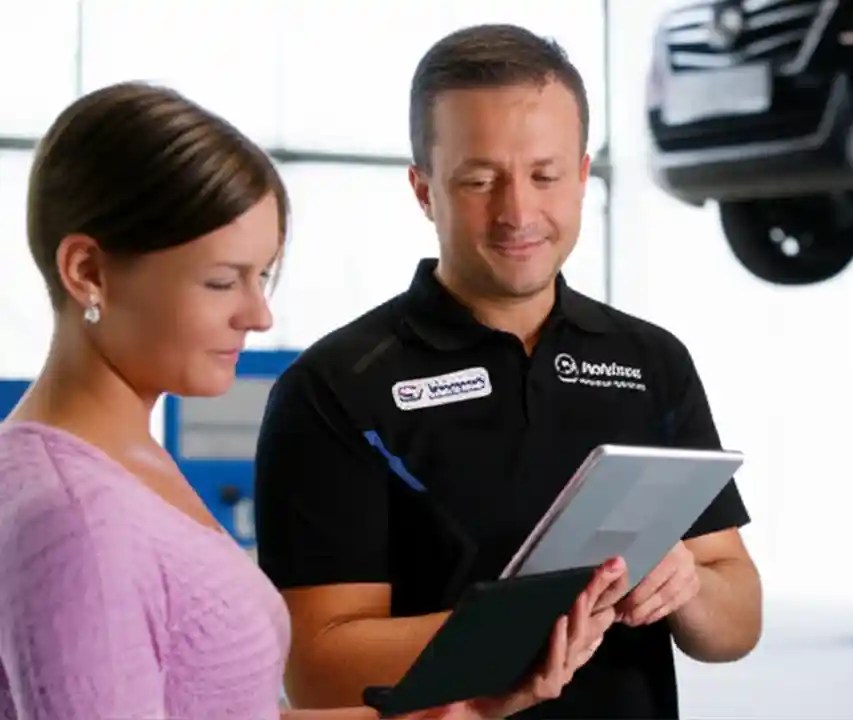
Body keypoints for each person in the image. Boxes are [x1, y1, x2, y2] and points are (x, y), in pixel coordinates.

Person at [0, 81, 617, 720]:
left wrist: (457, 714)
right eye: (221, 281)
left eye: (260, 276)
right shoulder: (76, 516)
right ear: (88, 273)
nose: (257, 314)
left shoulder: (112, 464)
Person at [252, 23, 764, 719]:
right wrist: (524, 627)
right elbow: (316, 668)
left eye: (545, 175)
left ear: (583, 177)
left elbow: (738, 624)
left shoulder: (651, 364)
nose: (517, 211)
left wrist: (686, 588)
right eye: (478, 179)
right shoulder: (336, 388)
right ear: (423, 189)